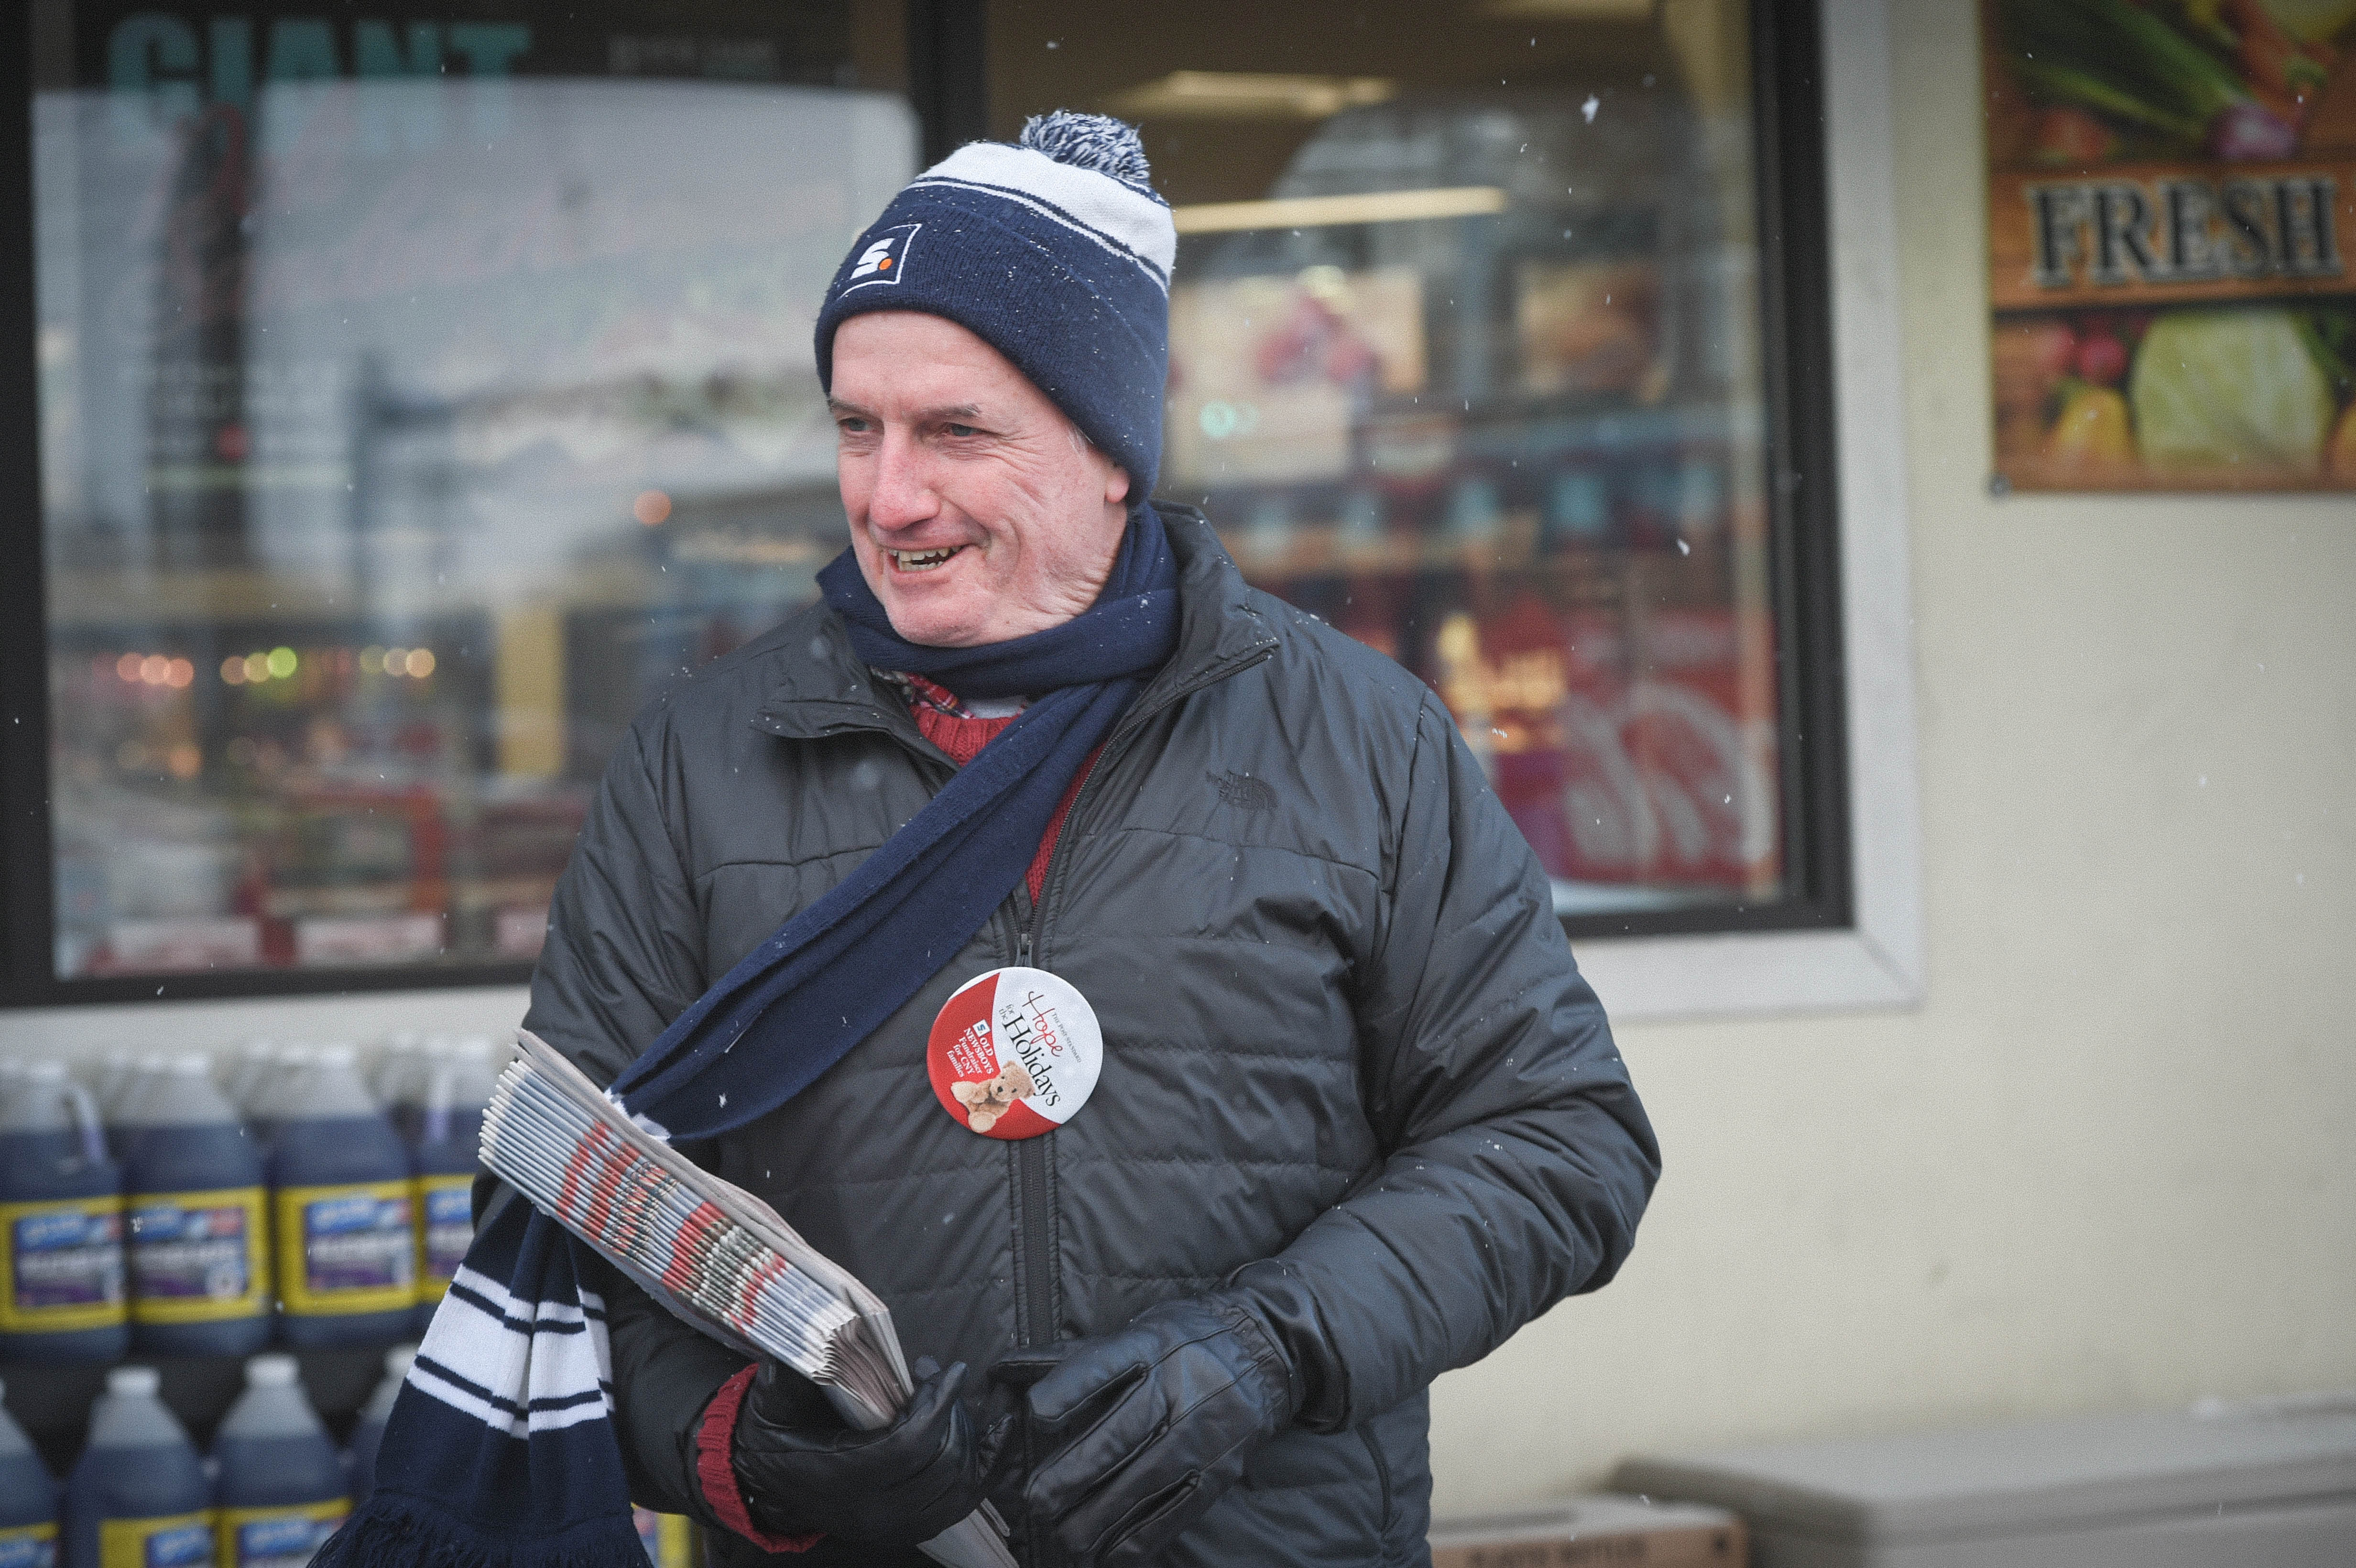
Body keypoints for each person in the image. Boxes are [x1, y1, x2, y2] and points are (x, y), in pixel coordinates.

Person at [521, 112, 1658, 1568]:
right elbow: (570, 1216)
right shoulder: (698, 767)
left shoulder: (1359, 741)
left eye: (956, 432)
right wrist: (737, 1448)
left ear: (1113, 449)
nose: (890, 495)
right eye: (857, 428)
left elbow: (1559, 1137)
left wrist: (1273, 1345)